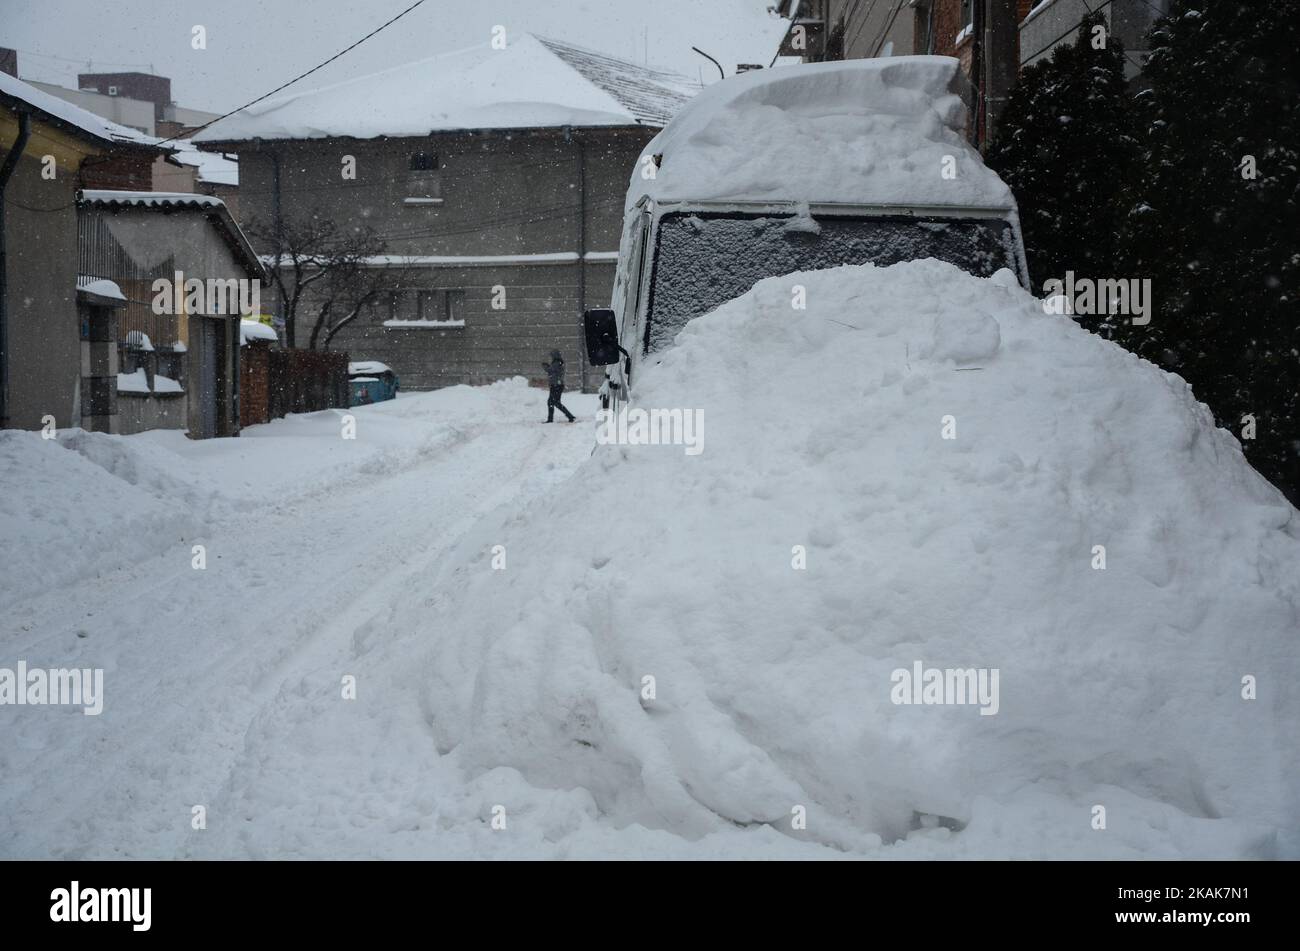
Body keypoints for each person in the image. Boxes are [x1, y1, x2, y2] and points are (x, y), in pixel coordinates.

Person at [542, 349, 575, 423]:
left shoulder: (557, 362)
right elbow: (552, 371)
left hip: (556, 385)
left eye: (552, 356)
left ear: (555, 355)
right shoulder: (558, 362)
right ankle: (552, 419)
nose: (551, 357)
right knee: (552, 402)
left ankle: (569, 416)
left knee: (554, 402)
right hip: (556, 385)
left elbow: (550, 370)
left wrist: (545, 366)